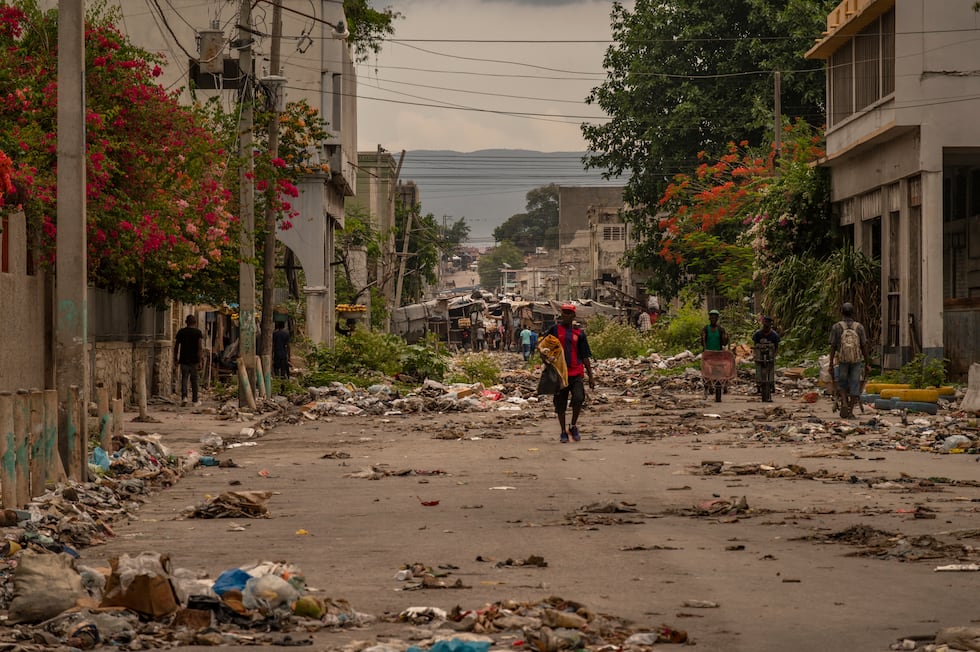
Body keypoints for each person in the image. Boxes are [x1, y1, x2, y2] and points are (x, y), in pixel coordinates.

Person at [545, 304, 595, 443]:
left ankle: (573, 425)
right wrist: (546, 360)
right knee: (560, 403)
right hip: (560, 373)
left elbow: (585, 355)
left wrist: (590, 376)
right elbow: (543, 346)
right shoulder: (554, 330)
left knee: (579, 398)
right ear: (561, 314)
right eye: (564, 313)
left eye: (569, 313)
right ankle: (562, 432)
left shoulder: (579, 334)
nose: (566, 315)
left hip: (576, 372)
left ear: (573, 316)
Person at [829, 302, 870, 418]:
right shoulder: (859, 327)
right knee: (855, 384)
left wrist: (831, 363)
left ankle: (844, 402)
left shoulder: (837, 327)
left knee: (841, 382)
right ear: (853, 313)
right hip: (856, 360)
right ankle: (850, 411)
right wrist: (867, 363)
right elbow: (864, 346)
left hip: (843, 360)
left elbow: (832, 346)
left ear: (842, 312)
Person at [174, 314, 204, 407]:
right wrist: (200, 361)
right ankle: (195, 401)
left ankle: (184, 398)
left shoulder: (181, 332)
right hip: (194, 360)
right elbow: (199, 347)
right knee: (194, 381)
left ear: (186, 322)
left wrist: (175, 358)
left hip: (183, 359)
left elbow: (176, 346)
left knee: (184, 378)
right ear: (195, 322)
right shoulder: (198, 332)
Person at [752, 316, 780, 402]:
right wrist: (755, 355)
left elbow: (776, 347)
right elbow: (755, 345)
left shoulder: (774, 335)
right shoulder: (757, 334)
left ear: (770, 325)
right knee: (758, 368)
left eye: (768, 325)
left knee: (771, 369)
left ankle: (771, 383)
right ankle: (758, 383)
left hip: (770, 356)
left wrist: (774, 356)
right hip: (760, 356)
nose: (766, 327)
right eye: (765, 325)